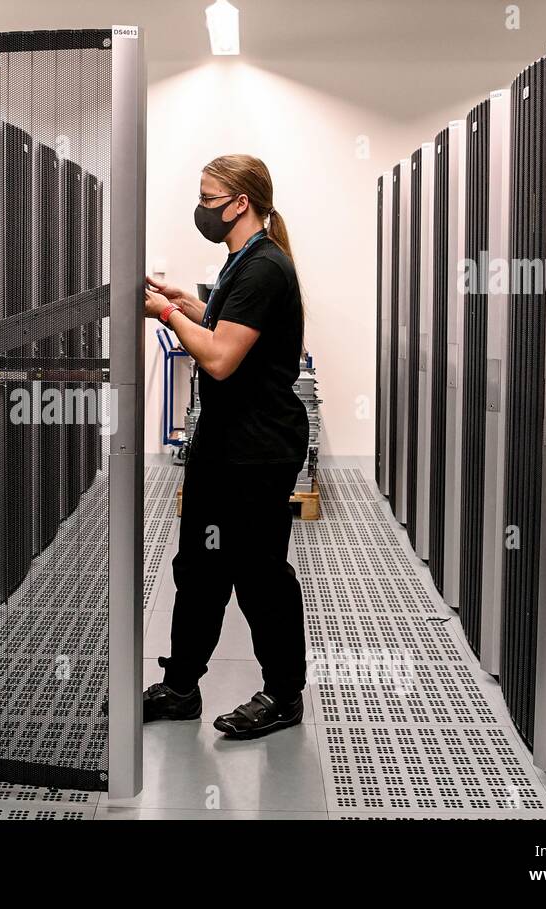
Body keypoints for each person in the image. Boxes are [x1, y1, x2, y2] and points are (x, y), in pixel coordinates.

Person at [141, 153, 309, 739]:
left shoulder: (265, 268)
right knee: (200, 567)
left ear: (240, 203)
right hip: (223, 445)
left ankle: (285, 695)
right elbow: (218, 326)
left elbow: (217, 357)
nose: (202, 208)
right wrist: (183, 301)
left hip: (258, 450)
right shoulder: (241, 260)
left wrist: (163, 313)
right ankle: (181, 687)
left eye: (209, 198)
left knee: (259, 575)